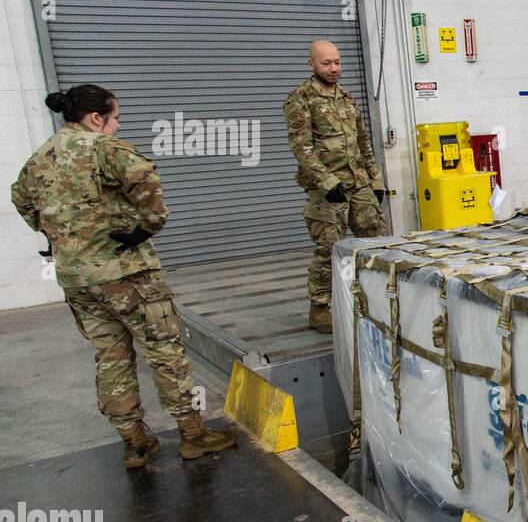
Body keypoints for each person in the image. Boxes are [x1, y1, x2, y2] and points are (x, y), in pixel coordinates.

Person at [10, 85, 237, 469]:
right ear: (96, 118)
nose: (116, 126)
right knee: (164, 350)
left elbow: (21, 198)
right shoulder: (104, 149)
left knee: (111, 356)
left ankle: (135, 444)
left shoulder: (40, 158)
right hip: (125, 274)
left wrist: (58, 234)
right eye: (115, 118)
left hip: (77, 280)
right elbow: (143, 175)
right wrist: (146, 227)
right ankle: (193, 435)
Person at [283, 40, 388, 333]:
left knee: (379, 242)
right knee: (328, 249)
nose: (334, 69)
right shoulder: (300, 99)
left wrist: (375, 178)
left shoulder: (346, 98)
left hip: (359, 184)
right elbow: (301, 149)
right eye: (326, 63)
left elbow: (363, 142)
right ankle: (321, 308)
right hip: (327, 191)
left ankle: (379, 299)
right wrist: (327, 182)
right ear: (312, 64)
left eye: (338, 63)